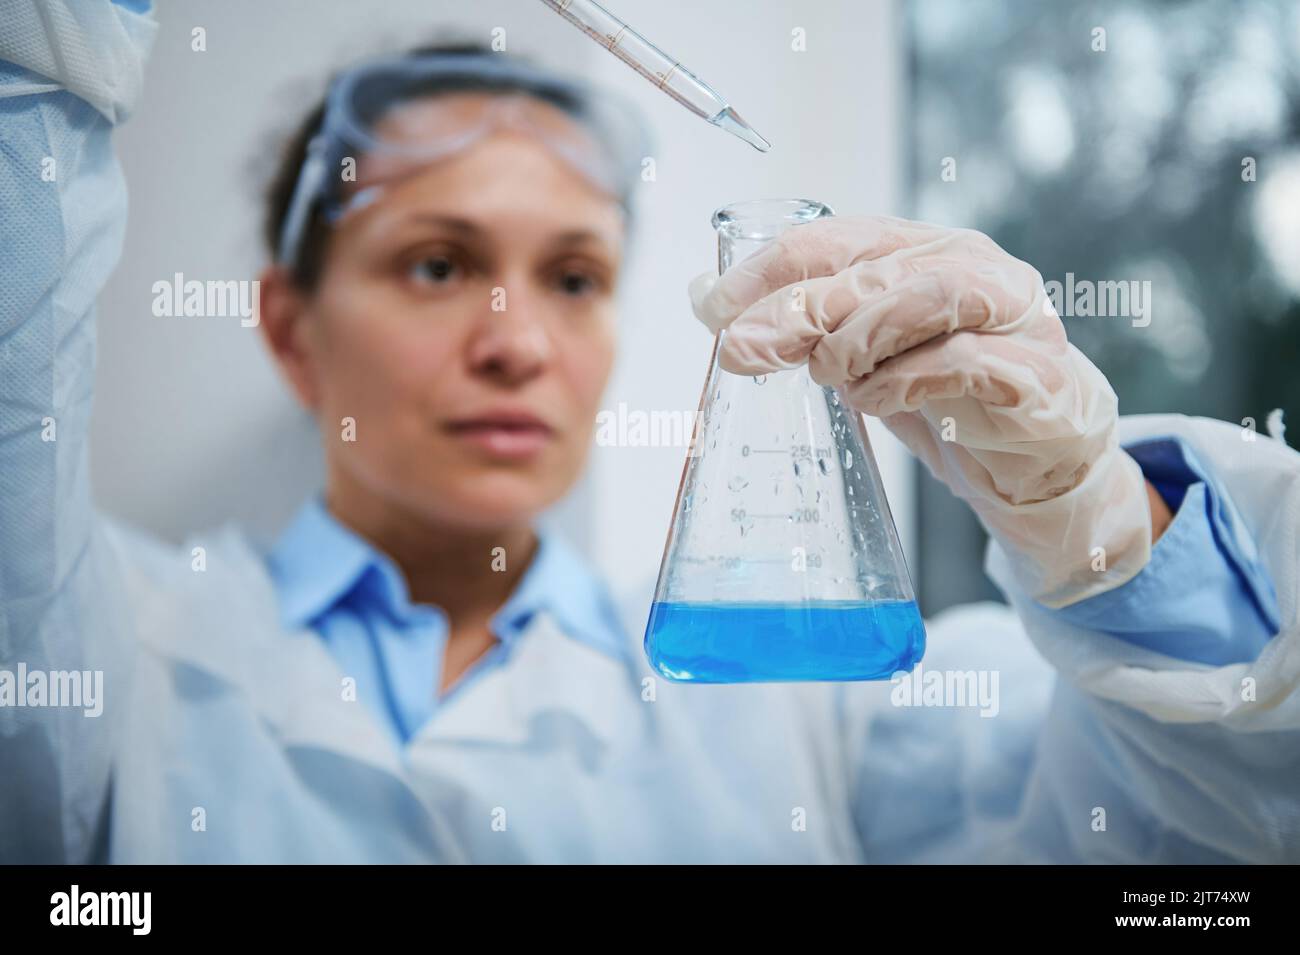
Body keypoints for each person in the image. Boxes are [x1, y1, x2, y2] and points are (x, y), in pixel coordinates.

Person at [1, 0, 1296, 864]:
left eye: (572, 277)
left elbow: (1200, 843)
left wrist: (1107, 527)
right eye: (440, 265)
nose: (517, 340)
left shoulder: (812, 710)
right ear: (291, 331)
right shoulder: (114, 652)